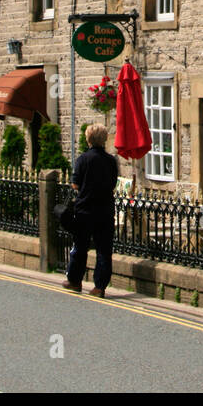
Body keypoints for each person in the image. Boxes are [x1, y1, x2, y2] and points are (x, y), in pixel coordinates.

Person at [64, 123, 119, 298]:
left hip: (85, 210)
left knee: (80, 246)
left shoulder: (83, 159)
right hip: (105, 210)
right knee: (104, 249)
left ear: (88, 139)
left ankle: (75, 281)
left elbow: (75, 184)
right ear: (104, 140)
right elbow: (113, 183)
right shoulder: (111, 160)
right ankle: (99, 287)